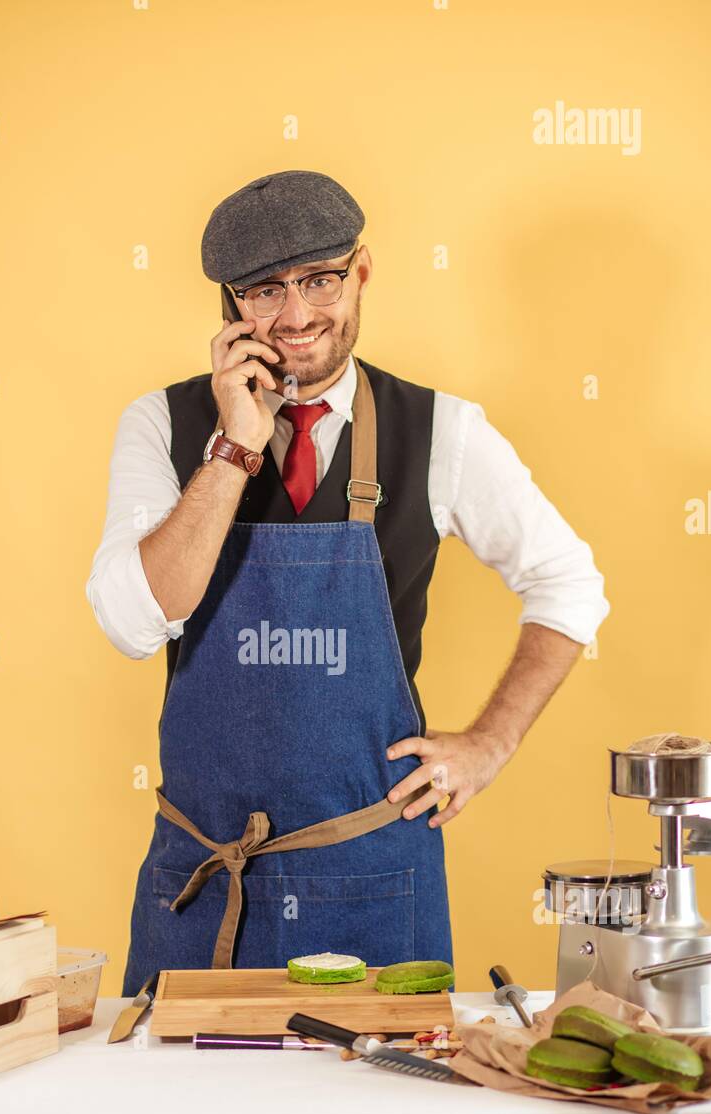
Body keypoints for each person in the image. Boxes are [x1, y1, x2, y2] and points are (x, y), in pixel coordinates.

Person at [86, 170, 610, 993]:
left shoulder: (442, 431)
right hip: (204, 875)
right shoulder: (164, 424)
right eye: (263, 292)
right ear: (230, 307)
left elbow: (569, 584)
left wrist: (488, 744)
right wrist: (233, 446)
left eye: (320, 279)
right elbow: (133, 620)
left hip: (375, 873)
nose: (295, 317)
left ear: (360, 271)